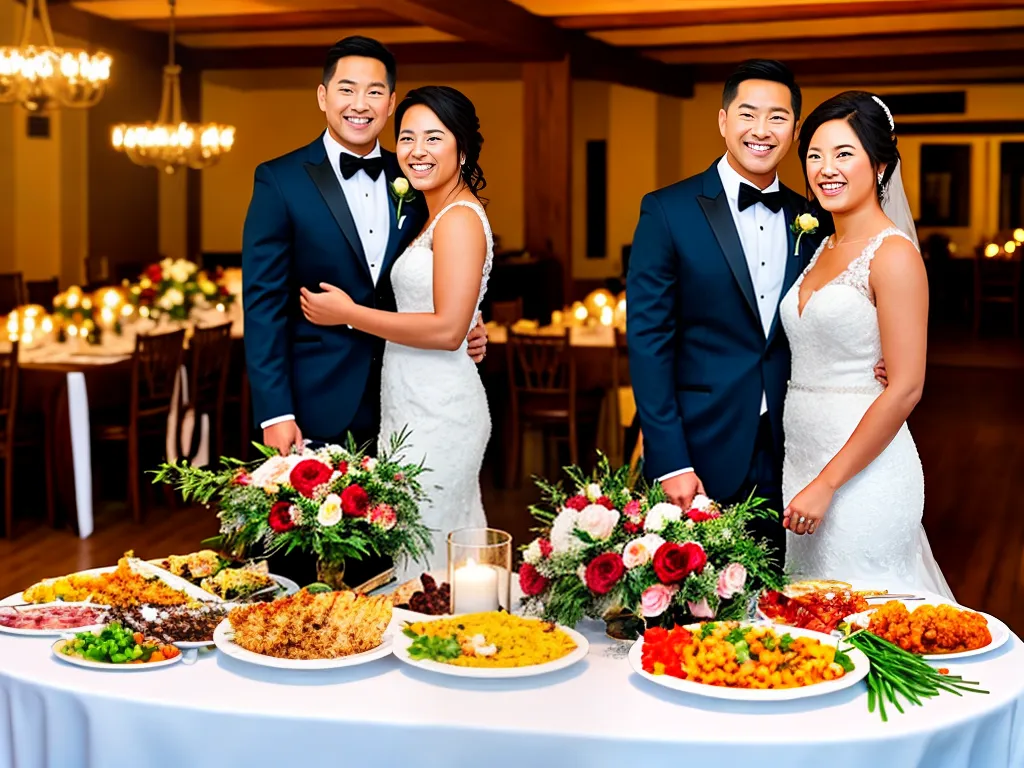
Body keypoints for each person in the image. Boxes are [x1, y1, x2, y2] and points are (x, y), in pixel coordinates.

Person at [241, 37, 487, 584]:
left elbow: (435, 275)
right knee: (304, 576)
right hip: (315, 404)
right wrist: (275, 412)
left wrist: (468, 319)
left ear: (390, 100)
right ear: (323, 96)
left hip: (406, 410)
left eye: (375, 91)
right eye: (347, 89)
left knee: (391, 573)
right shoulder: (279, 179)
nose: (360, 103)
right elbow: (260, 305)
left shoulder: (414, 180)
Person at [626, 60, 825, 567]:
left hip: (792, 449)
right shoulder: (667, 211)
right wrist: (670, 460)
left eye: (778, 117)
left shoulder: (814, 218)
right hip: (699, 448)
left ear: (795, 130)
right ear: (722, 121)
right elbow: (649, 343)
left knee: (783, 603)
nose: (762, 131)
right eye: (748, 114)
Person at [301, 86, 492, 581]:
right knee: (419, 556)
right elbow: (451, 310)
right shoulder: (431, 217)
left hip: (442, 414)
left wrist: (349, 312)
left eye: (434, 138)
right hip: (411, 407)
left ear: (462, 149)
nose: (416, 150)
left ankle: (445, 646)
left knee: (428, 559)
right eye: (406, 137)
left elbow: (449, 330)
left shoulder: (460, 220)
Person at [780, 91, 952, 597]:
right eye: (814, 155)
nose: (825, 168)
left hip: (861, 476)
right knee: (812, 629)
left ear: (879, 165)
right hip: (801, 462)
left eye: (843, 153)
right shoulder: (822, 247)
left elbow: (905, 389)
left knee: (867, 622)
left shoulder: (893, 255)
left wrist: (828, 483)